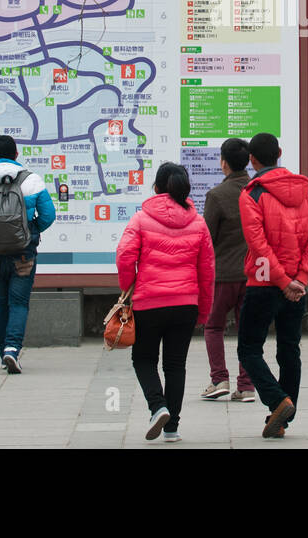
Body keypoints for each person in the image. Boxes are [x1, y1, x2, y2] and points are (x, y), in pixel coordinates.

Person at [116, 162, 214, 443]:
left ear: (157, 188)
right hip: (185, 304)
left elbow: (124, 255)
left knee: (143, 359)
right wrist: (203, 310)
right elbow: (207, 270)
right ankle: (172, 427)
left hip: (149, 302)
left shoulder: (141, 218)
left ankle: (157, 406)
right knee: (175, 365)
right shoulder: (198, 223)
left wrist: (127, 286)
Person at [236, 132, 308, 439]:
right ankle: (283, 419)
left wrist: (283, 280)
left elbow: (258, 244)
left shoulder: (253, 195)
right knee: (289, 350)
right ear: (280, 153)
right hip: (296, 288)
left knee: (248, 349)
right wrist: (300, 279)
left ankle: (277, 401)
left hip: (263, 283)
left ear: (252, 159)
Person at [0, 135, 56, 373]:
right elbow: (48, 215)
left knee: (3, 303)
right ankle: (12, 350)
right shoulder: (32, 180)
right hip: (24, 253)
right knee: (19, 303)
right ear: (16, 154)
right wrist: (31, 231)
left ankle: (3, 351)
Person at [199, 138, 256, 402]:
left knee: (213, 327)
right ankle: (246, 386)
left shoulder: (217, 196)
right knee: (248, 329)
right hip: (254, 273)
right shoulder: (258, 191)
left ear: (224, 162)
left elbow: (206, 237)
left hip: (222, 274)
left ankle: (219, 378)